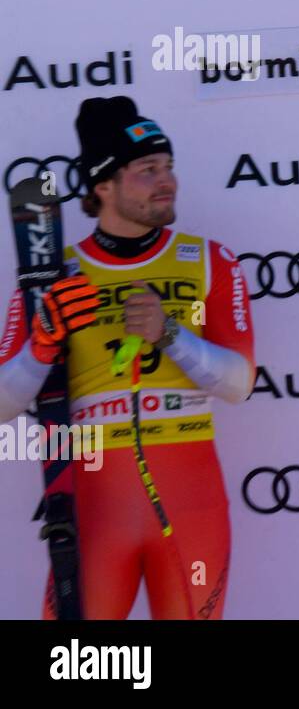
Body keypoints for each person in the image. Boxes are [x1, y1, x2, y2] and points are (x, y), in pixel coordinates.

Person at [0, 97, 255, 619]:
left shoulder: (210, 259)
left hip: (192, 508)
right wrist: (43, 346)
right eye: (147, 170)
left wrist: (170, 336)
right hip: (96, 513)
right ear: (103, 186)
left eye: (169, 167)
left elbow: (239, 384)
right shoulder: (51, 276)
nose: (168, 181)